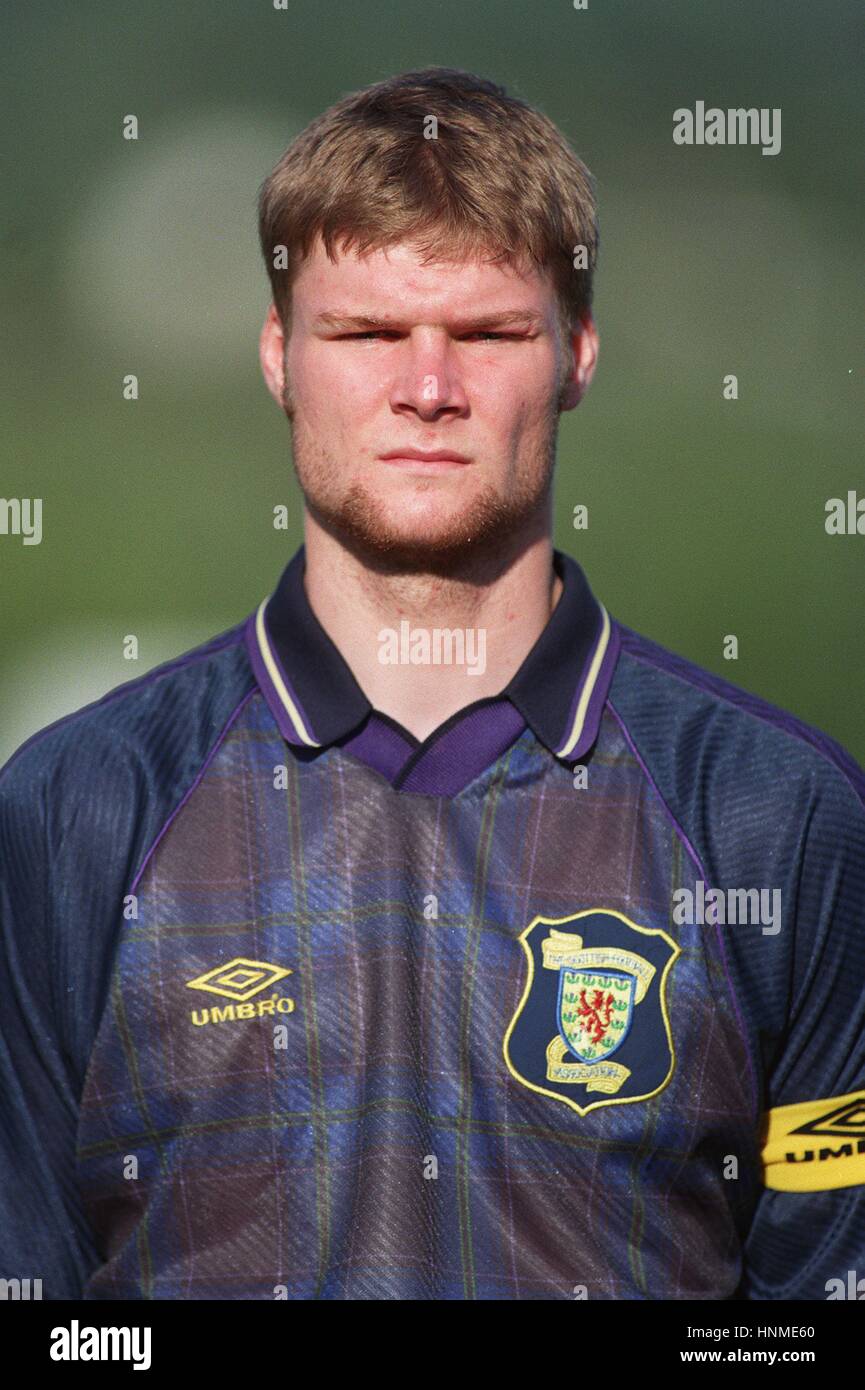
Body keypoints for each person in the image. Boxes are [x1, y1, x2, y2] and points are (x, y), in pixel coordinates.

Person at [1, 67, 863, 1301]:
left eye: (488, 332)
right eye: (362, 333)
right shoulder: (76, 806)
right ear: (277, 357)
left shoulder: (779, 815)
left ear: (575, 355)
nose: (426, 390)